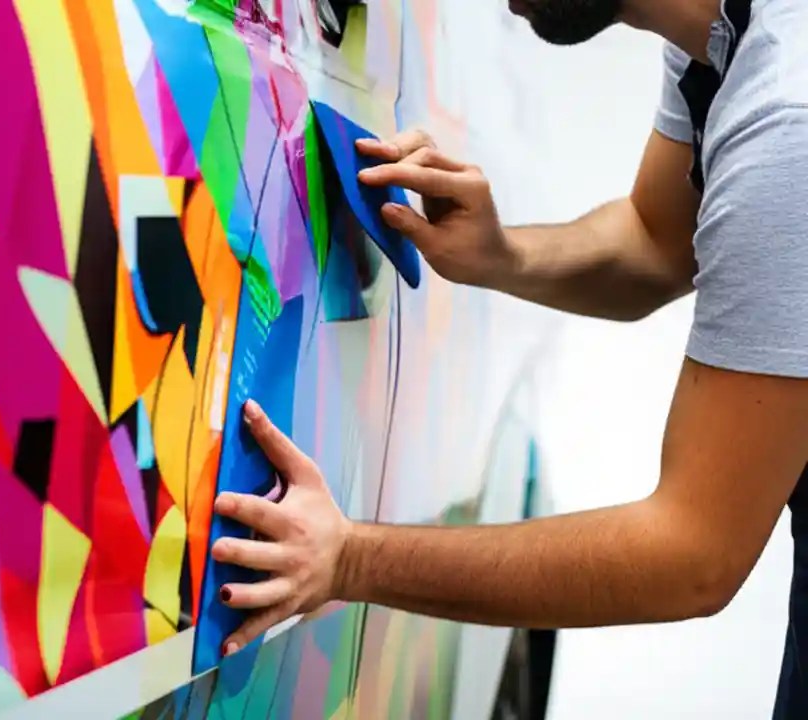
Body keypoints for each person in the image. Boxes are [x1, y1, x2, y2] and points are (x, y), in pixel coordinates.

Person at [211, 0, 808, 715]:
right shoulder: (716, 37)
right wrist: (503, 256)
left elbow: (694, 555)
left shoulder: (788, 118)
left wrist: (350, 558)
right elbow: (656, 243)